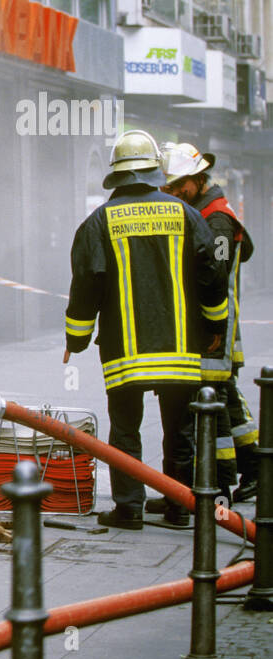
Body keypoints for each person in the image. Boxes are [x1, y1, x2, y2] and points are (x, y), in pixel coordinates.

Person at [63, 130, 227, 530]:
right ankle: (178, 507)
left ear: (116, 175)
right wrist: (216, 324)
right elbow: (211, 273)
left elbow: (87, 282)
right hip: (180, 347)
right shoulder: (185, 214)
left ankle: (130, 508)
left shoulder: (99, 221)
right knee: (179, 429)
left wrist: (76, 339)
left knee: (125, 430)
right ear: (155, 171)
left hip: (124, 352)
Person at [160, 142, 259, 505]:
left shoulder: (216, 220)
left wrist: (212, 328)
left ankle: (220, 482)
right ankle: (256, 471)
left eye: (177, 185)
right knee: (229, 401)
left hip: (216, 330)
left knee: (212, 402)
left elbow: (214, 275)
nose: (171, 193)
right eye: (167, 187)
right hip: (218, 328)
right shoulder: (206, 212)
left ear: (199, 180)